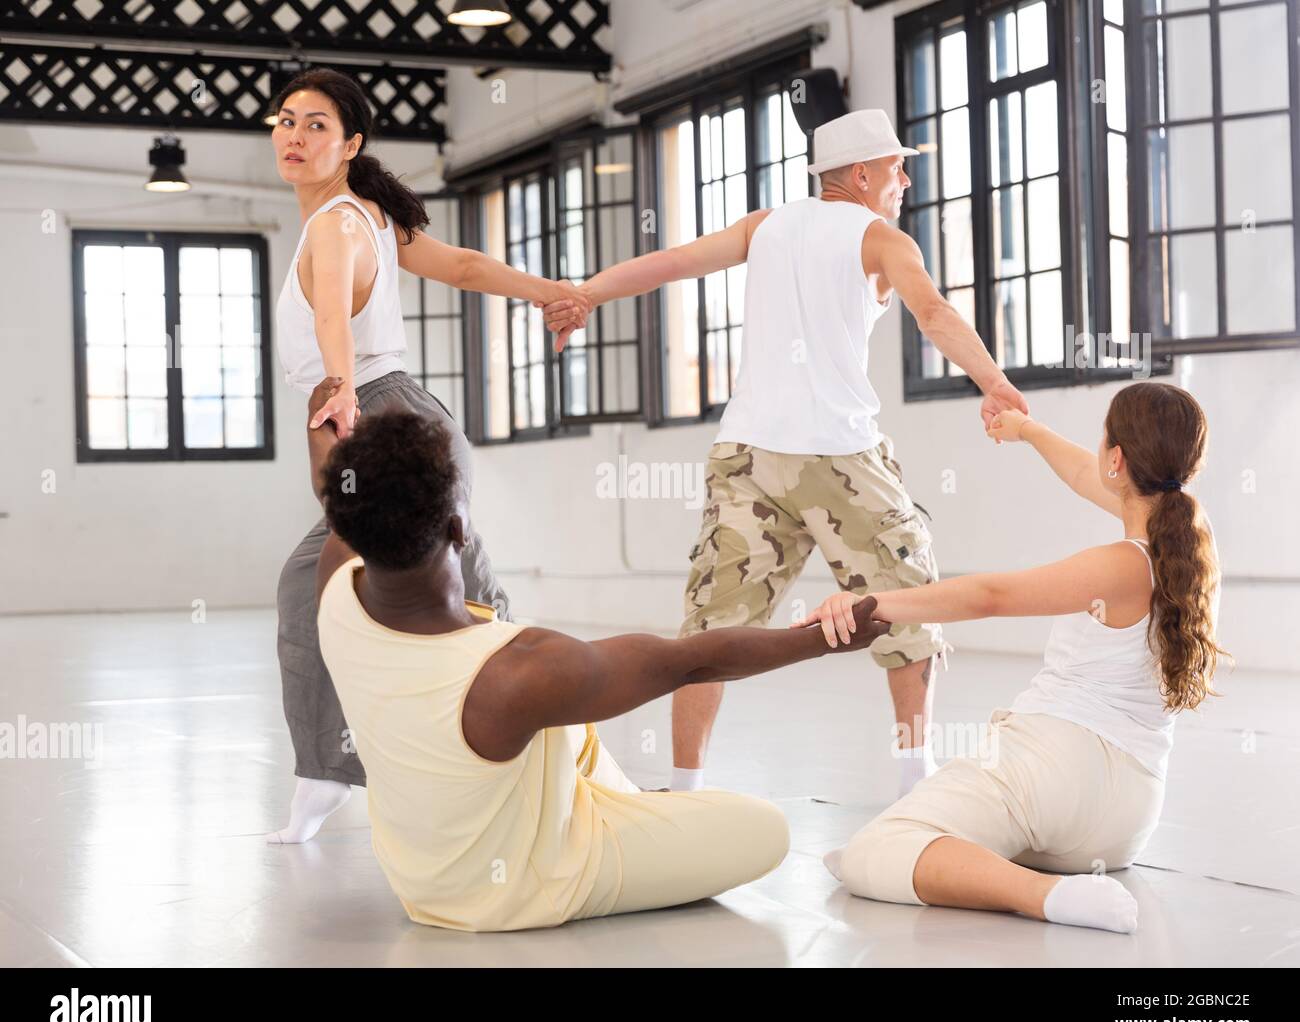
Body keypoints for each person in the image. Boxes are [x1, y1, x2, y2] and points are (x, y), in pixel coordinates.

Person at [542, 108, 1029, 796]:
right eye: (896, 168)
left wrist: (586, 293)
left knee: (711, 630)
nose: (905, 180)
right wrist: (996, 382)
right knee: (910, 604)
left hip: (747, 456)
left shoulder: (764, 225)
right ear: (862, 175)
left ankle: (685, 793)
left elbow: (671, 263)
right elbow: (936, 315)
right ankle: (914, 785)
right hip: (841, 456)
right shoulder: (883, 240)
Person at [300, 378, 892, 931]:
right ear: (459, 530)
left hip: (419, 877)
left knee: (574, 736)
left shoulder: (336, 586)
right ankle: (632, 818)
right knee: (766, 829)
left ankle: (635, 808)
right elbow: (690, 660)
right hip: (521, 886)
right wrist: (819, 638)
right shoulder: (513, 670)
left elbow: (338, 493)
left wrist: (320, 425)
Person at [267, 67, 589, 844]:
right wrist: (545, 289)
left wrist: (339, 387)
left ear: (351, 144)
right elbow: (468, 268)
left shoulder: (340, 226)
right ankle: (329, 770)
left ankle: (549, 714)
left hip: (381, 415)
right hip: (390, 415)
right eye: (285, 120)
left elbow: (335, 311)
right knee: (366, 583)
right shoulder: (368, 215)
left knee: (454, 586)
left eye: (316, 125)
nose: (295, 136)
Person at [800, 382, 1227, 933]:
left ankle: (1041, 894)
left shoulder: (1119, 565)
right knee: (967, 836)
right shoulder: (1193, 542)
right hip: (1125, 822)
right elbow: (1083, 474)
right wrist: (1028, 430)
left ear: (1117, 460)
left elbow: (989, 596)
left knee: (871, 851)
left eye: (1102, 442)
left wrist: (874, 603)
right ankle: (1024, 874)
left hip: (1052, 771)